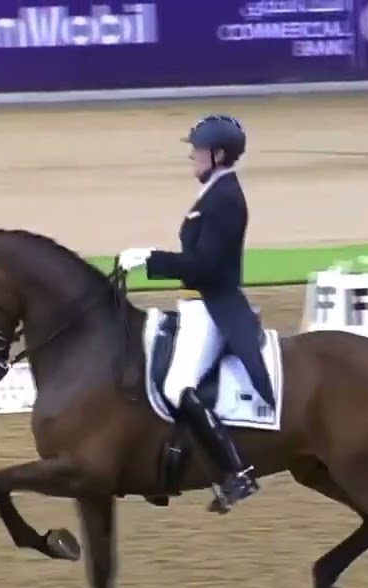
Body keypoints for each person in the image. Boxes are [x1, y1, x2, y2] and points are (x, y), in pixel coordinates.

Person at [117, 114, 275, 514]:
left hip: (211, 307)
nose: (192, 155)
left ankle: (235, 473)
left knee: (177, 387)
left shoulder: (225, 199)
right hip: (194, 304)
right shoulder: (215, 193)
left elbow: (205, 266)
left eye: (198, 150)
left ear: (218, 155)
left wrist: (152, 259)